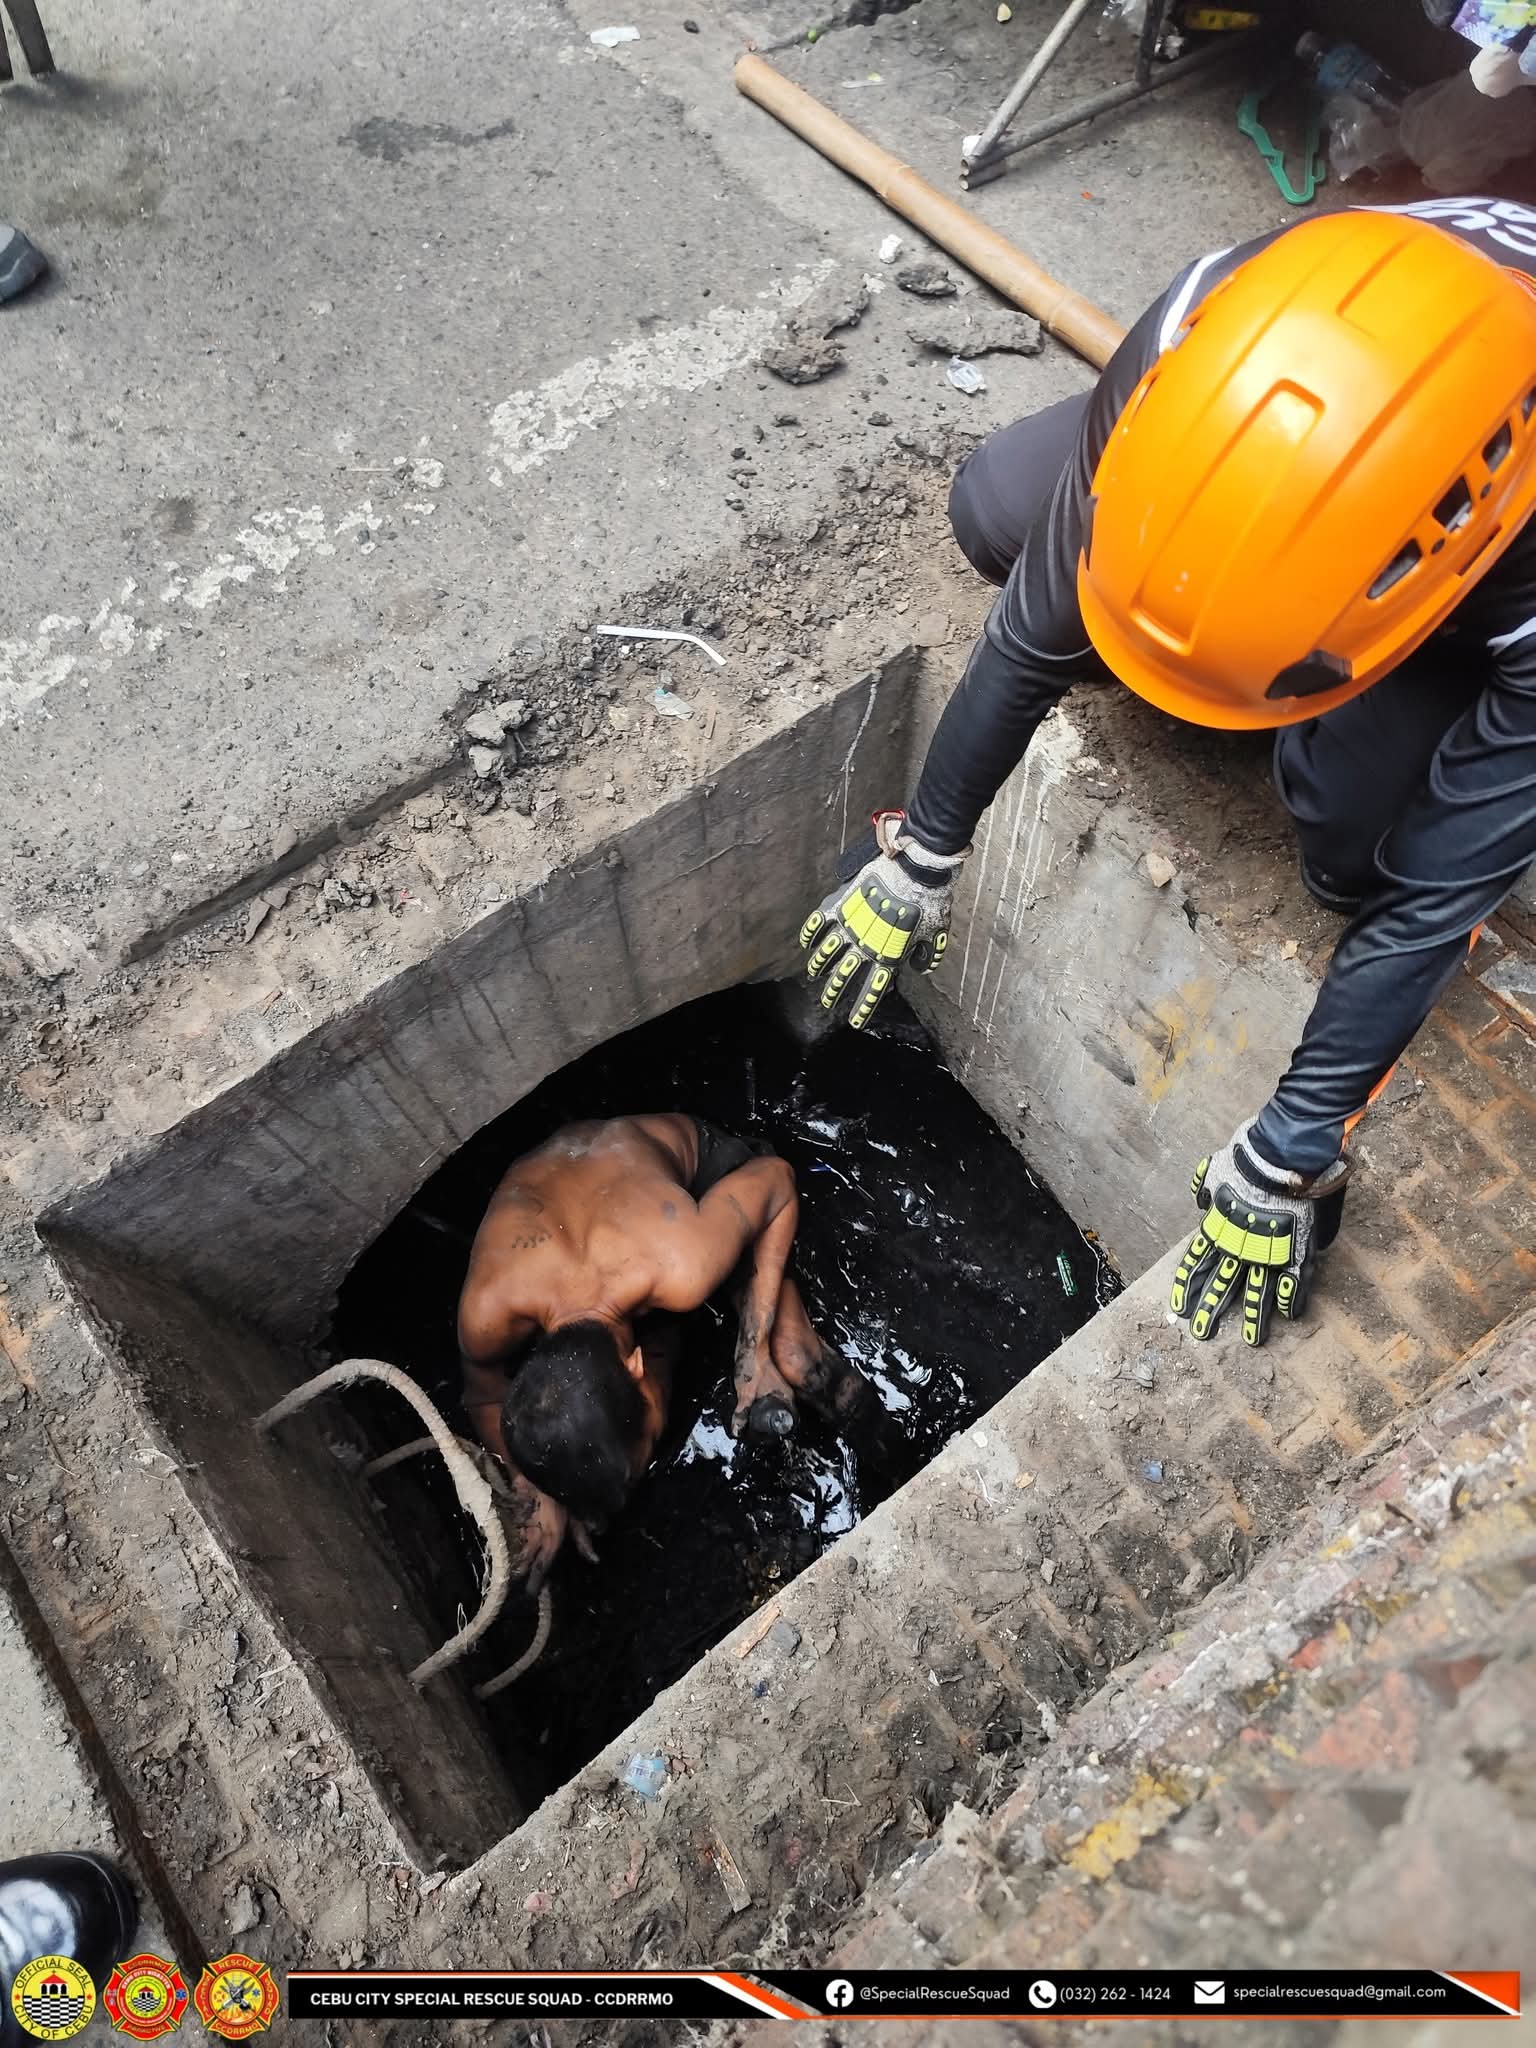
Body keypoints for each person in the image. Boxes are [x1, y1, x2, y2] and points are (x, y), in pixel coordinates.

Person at [799, 199, 1536, 1349]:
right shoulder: (1209, 321)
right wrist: (923, 851)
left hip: (1480, 585)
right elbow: (1031, 630)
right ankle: (1231, 652)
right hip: (1324, 469)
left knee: (1359, 854)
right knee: (997, 510)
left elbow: (1432, 898)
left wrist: (1293, 1142)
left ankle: (1326, 722)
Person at [457, 1114, 879, 1583]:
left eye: (651, 1442)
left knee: (797, 1359)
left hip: (692, 1190)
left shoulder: (683, 1267)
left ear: (635, 1365)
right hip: (568, 1201)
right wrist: (540, 1488)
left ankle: (885, 1447)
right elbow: (483, 1396)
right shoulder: (488, 1312)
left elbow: (777, 1180)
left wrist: (753, 1352)